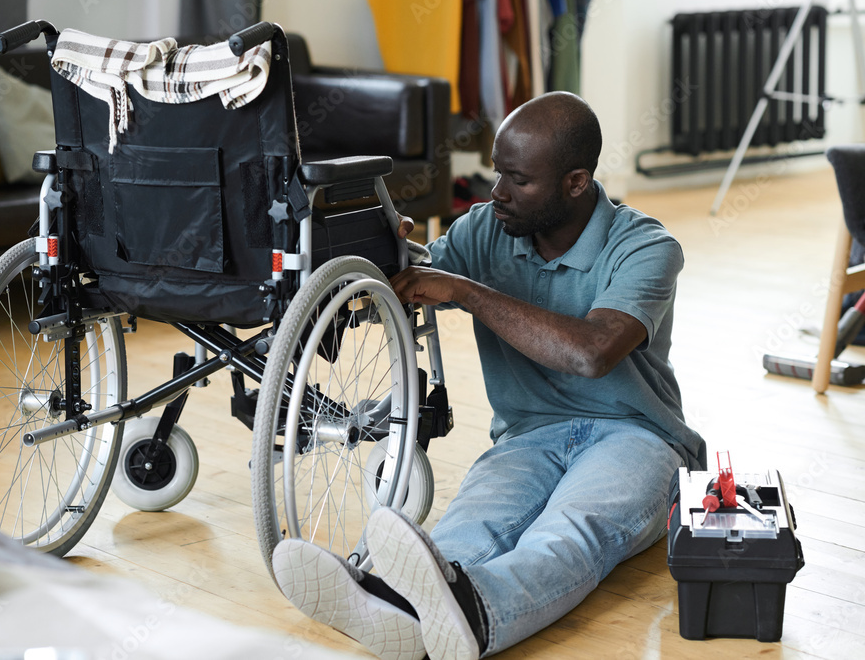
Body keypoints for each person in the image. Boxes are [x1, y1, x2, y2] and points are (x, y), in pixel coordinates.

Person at [271, 91, 706, 660]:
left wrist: (465, 291)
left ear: (576, 182)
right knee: (473, 526)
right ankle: (387, 602)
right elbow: (420, 275)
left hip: (639, 435)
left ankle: (478, 617)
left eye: (518, 180)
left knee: (572, 529)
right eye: (497, 172)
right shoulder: (488, 228)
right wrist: (388, 248)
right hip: (529, 434)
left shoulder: (646, 246)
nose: (496, 192)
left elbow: (593, 352)